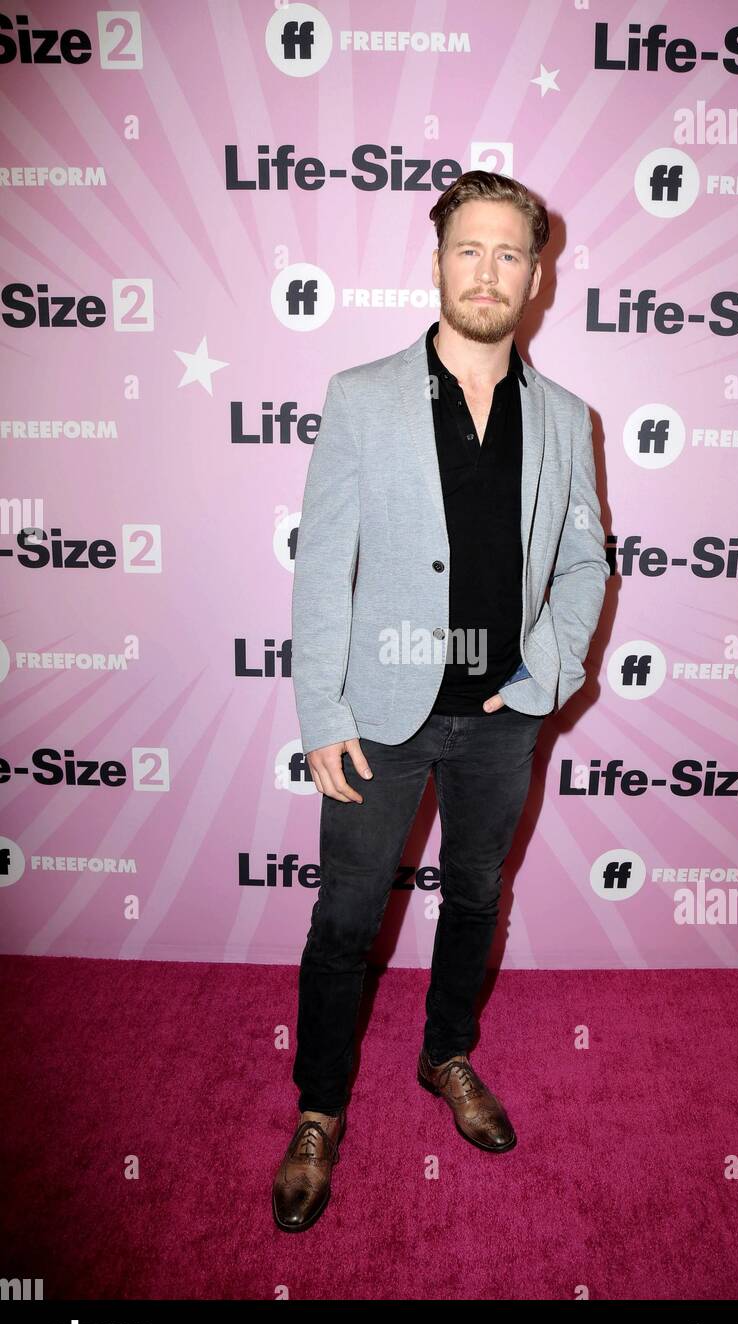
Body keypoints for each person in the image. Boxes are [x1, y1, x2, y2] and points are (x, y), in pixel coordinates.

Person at [272, 170, 609, 1232]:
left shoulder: (565, 417)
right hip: (380, 713)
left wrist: (543, 676)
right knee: (344, 918)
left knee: (474, 899)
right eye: (469, 249)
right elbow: (323, 563)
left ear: (536, 274)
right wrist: (319, 709)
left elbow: (586, 562)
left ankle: (445, 1055)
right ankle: (319, 1109)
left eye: (510, 252)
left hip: (502, 718)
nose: (488, 271)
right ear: (435, 261)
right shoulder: (362, 394)